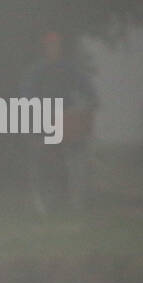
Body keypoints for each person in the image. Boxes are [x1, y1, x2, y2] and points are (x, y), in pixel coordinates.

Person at [20, 30, 99, 214]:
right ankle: (44, 203)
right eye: (49, 46)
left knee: (76, 161)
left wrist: (92, 101)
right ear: (44, 49)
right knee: (42, 162)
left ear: (60, 48)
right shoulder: (37, 70)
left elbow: (85, 86)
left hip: (67, 120)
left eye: (56, 45)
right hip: (43, 120)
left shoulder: (68, 69)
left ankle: (76, 203)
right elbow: (27, 92)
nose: (53, 49)